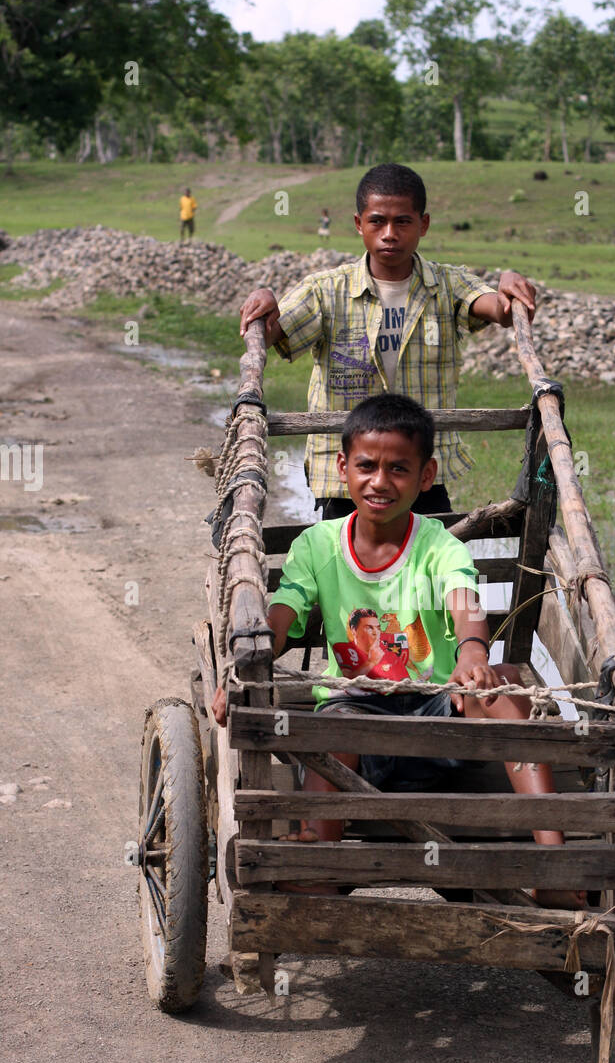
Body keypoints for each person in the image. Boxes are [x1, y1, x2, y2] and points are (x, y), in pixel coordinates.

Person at [212, 392, 583, 911]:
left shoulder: (438, 546)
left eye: (398, 469)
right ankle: (320, 860)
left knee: (503, 692)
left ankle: (555, 867)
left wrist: (473, 654)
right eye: (366, 466)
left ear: (426, 475)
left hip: (436, 713)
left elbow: (464, 600)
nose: (380, 482)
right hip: (356, 717)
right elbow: (284, 615)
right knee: (331, 724)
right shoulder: (317, 547)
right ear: (343, 468)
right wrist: (244, 667)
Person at [237, 162, 537, 519]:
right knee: (345, 566)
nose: (389, 234)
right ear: (358, 224)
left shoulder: (446, 285)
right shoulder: (325, 290)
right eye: (377, 221)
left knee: (428, 565)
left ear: (422, 224)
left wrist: (508, 283)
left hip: (420, 468)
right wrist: (266, 301)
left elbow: (499, 309)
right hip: (348, 473)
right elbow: (273, 334)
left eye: (403, 222)